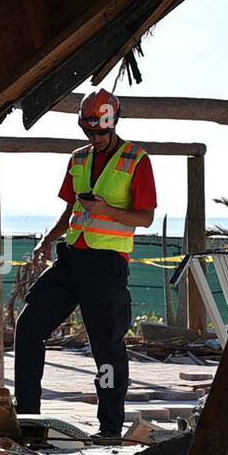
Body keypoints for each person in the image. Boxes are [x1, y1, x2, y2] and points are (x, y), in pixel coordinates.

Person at [13, 88, 157, 436]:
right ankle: (28, 420)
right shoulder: (78, 158)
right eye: (89, 131)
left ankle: (109, 427)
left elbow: (147, 217)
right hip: (72, 259)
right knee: (28, 327)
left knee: (106, 346)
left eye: (100, 132)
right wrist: (48, 241)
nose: (95, 137)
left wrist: (108, 210)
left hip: (107, 264)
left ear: (113, 123)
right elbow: (70, 209)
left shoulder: (136, 159)